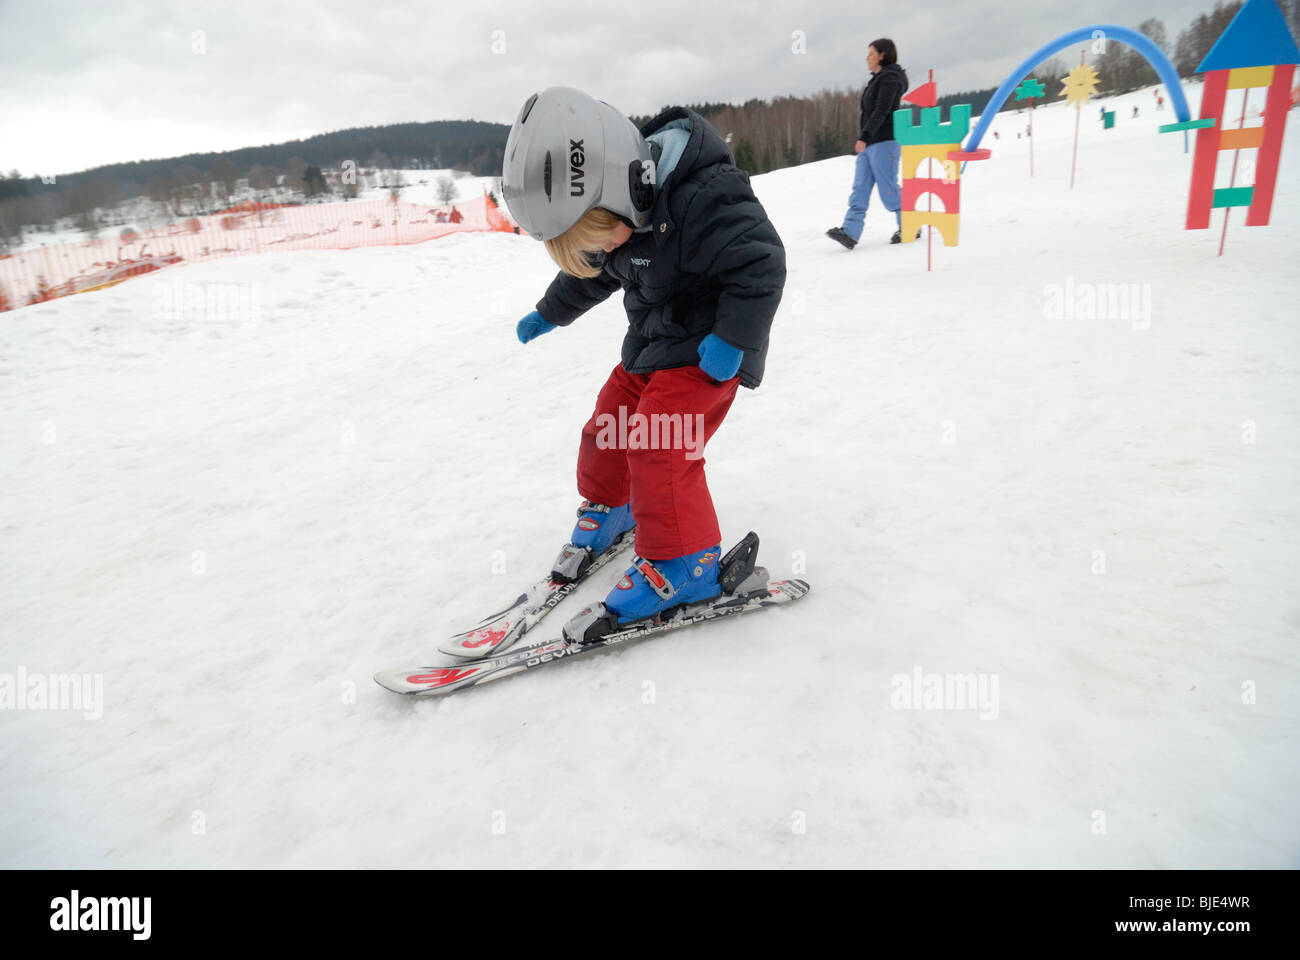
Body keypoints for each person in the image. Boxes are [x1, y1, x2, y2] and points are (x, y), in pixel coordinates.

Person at [501, 87, 785, 624]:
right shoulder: (619, 212)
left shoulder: (705, 196)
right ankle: (616, 507)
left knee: (659, 444)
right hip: (652, 349)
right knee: (607, 425)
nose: (607, 250)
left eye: (602, 238)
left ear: (625, 188)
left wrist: (733, 339)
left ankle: (686, 562)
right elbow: (589, 278)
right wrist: (548, 312)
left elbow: (761, 265)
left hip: (708, 353)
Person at [826, 38, 917, 249]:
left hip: (884, 141)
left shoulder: (890, 78)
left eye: (871, 53)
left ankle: (911, 225)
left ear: (882, 55)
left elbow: (882, 109)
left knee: (889, 190)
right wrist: (865, 139)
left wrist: (864, 136)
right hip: (870, 143)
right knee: (860, 189)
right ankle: (850, 232)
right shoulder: (878, 79)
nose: (867, 58)